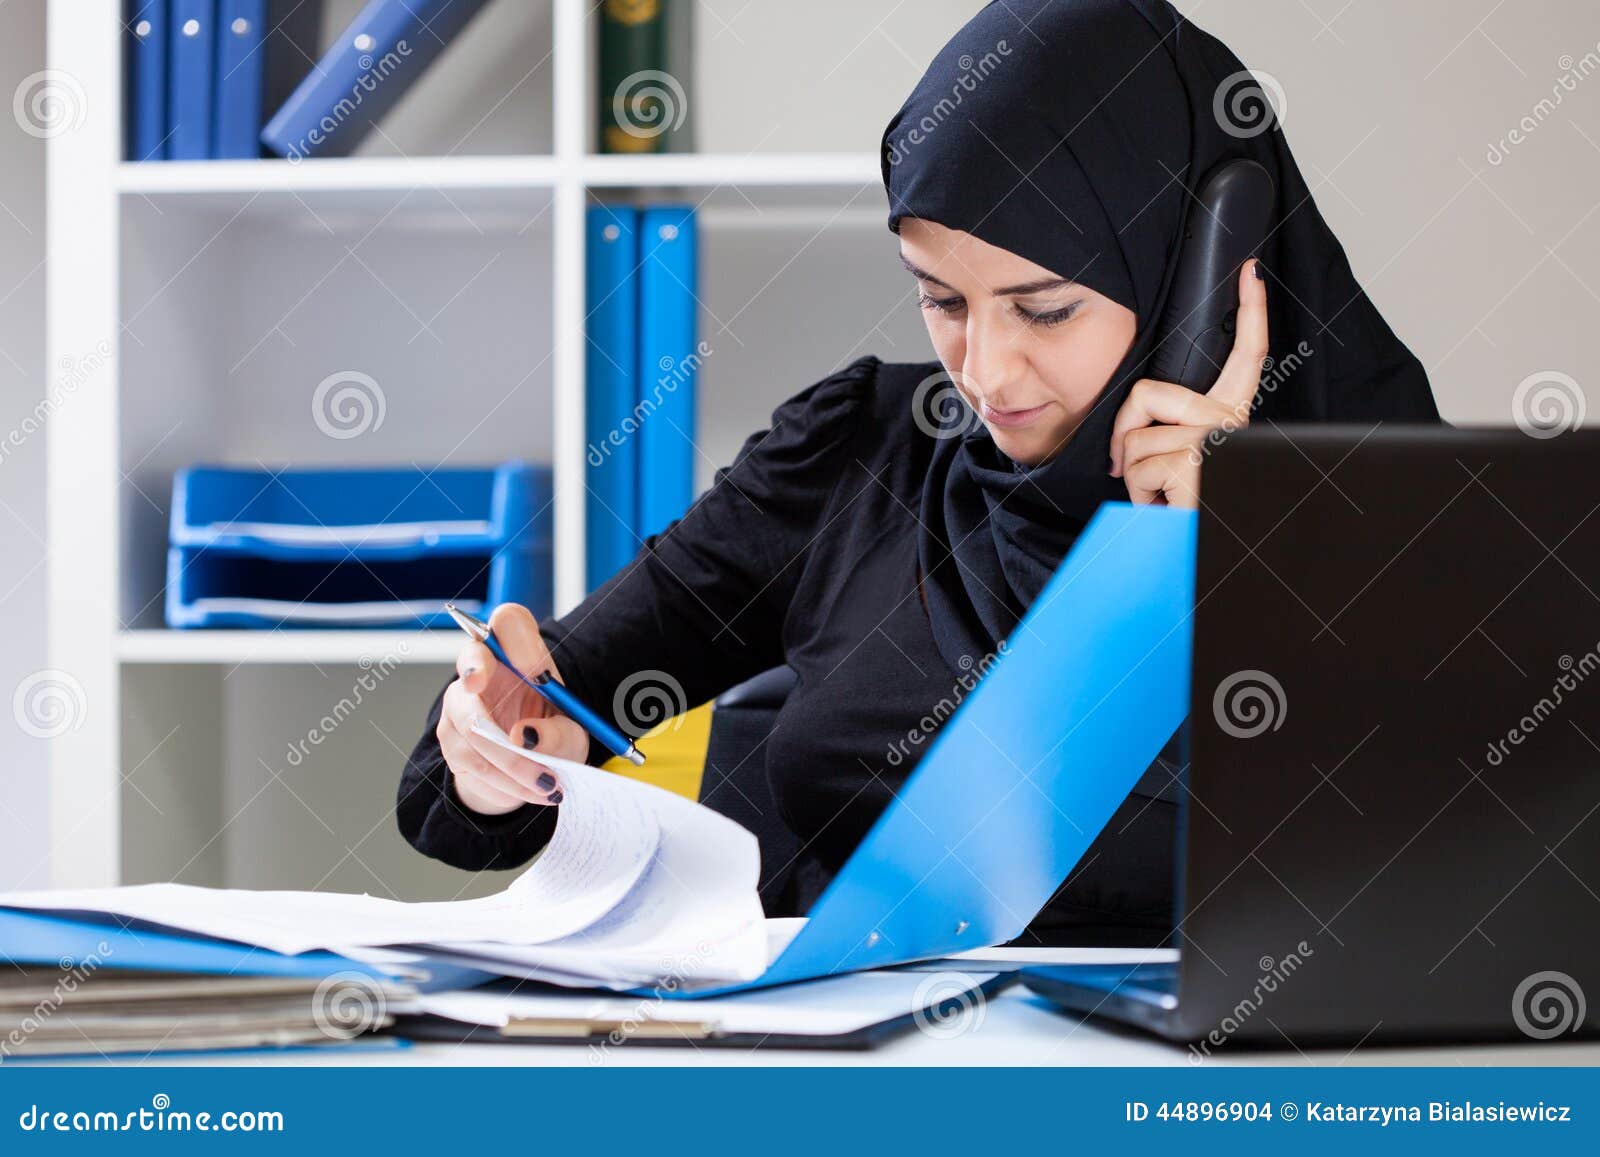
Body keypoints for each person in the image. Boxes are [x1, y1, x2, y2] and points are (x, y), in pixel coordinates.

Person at [397, 0, 1439, 944]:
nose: (985, 372)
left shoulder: (1375, 528)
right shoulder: (858, 450)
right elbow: (501, 753)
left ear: (1205, 269)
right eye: (942, 299)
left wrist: (1248, 563)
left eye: (1044, 306)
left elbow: (1450, 860)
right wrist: (495, 753)